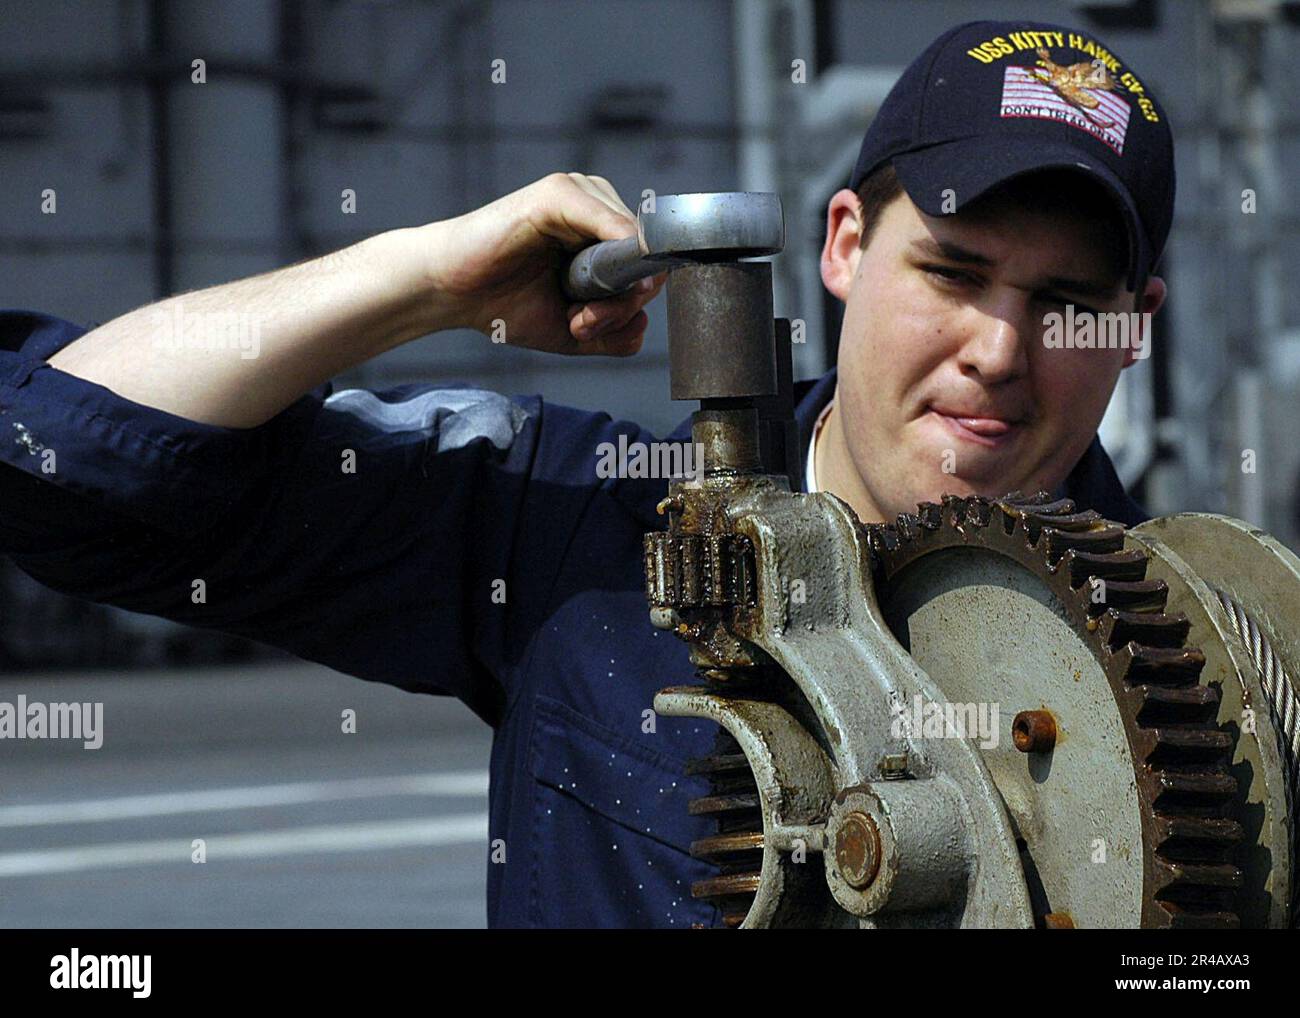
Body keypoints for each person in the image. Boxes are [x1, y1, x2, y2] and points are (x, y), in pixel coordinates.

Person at [0, 19, 1172, 927]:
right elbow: (69, 463)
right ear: (846, 246)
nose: (1000, 349)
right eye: (954, 271)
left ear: (1134, 327)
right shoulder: (581, 522)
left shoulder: (1200, 666)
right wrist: (428, 282)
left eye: (1066, 303)